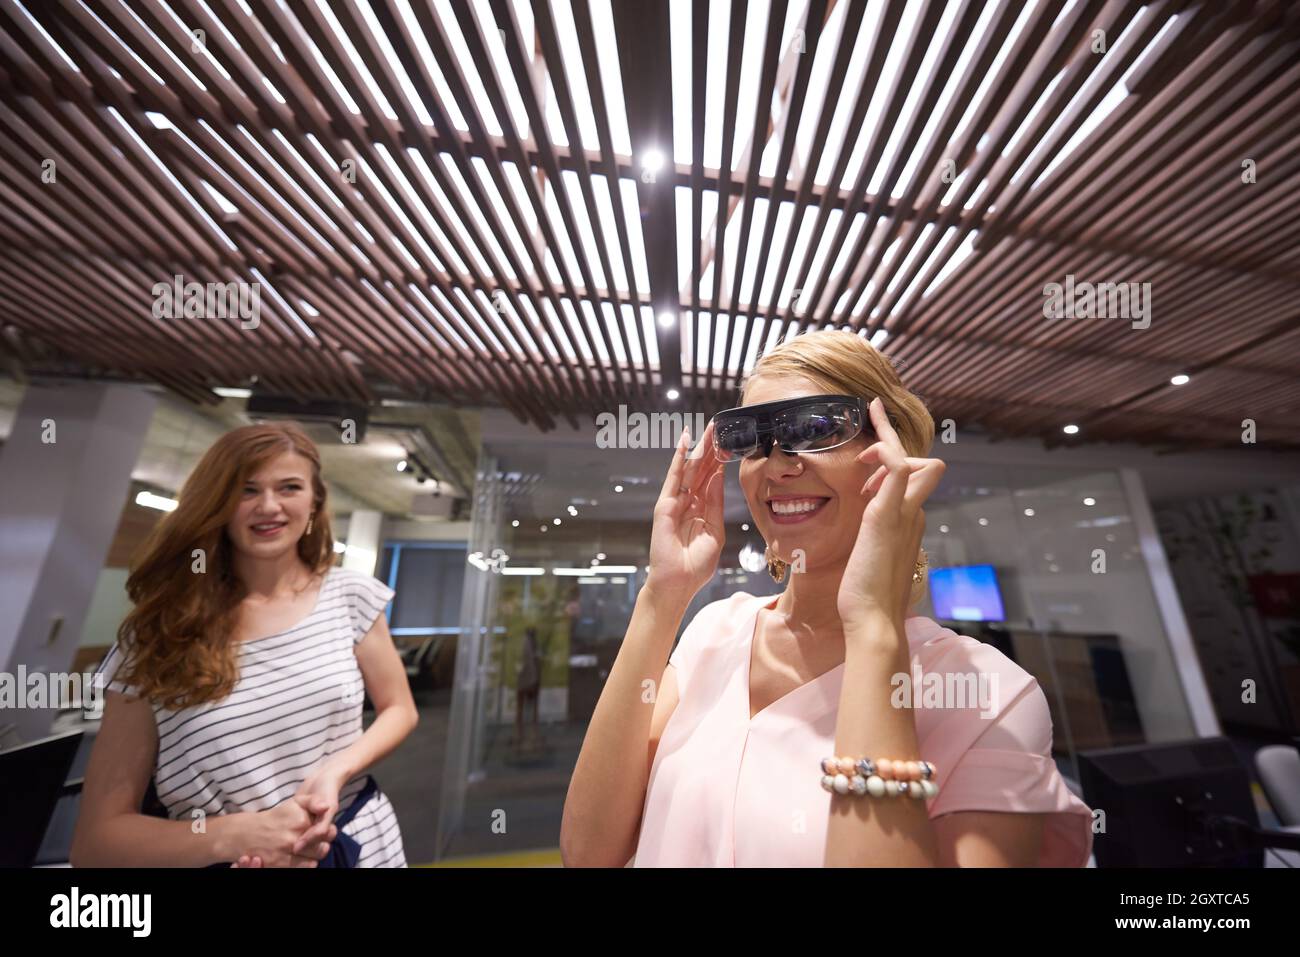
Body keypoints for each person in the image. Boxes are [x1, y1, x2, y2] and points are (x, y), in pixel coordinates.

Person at [560, 330, 1094, 867]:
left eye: (814, 430)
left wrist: (873, 631)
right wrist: (663, 594)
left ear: (890, 455)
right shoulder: (714, 632)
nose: (776, 466)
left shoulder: (988, 696)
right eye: (750, 439)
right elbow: (589, 852)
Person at [71, 422, 418, 867]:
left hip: (364, 843)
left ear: (314, 503)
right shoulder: (156, 635)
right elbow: (96, 843)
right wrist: (236, 835)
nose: (269, 506)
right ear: (217, 504)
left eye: (289, 487)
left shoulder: (350, 596)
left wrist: (336, 771)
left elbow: (399, 708)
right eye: (247, 490)